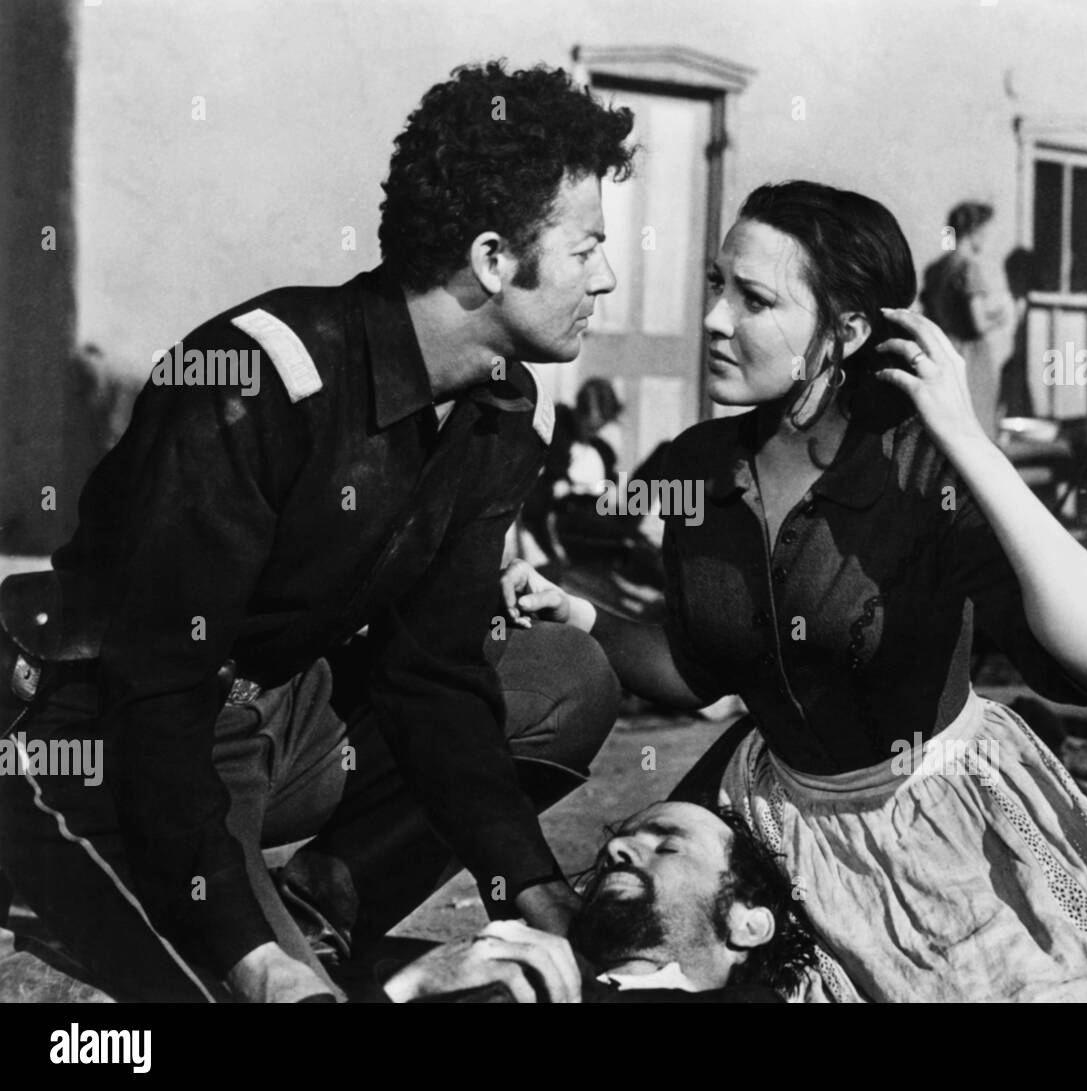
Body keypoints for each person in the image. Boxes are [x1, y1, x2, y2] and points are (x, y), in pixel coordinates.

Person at [503, 180, 1087, 1003]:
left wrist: (965, 437)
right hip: (777, 823)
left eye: (754, 299)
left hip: (954, 828)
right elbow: (698, 669)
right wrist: (578, 611)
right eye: (718, 285)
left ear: (846, 330)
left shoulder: (923, 469)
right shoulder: (698, 466)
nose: (715, 319)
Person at [0, 61, 634, 1003]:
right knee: (273, 989)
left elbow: (434, 676)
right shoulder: (253, 379)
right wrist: (256, 958)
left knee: (563, 678)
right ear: (496, 259)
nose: (608, 278)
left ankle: (325, 909)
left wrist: (541, 899)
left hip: (273, 718)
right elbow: (158, 691)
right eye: (586, 250)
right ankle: (238, 932)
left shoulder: (500, 409)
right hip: (113, 732)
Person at [377, 801, 813, 1002]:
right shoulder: (465, 965)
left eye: (668, 847)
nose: (617, 849)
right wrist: (407, 988)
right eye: (616, 849)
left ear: (747, 923)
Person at [920, 202, 1009, 438]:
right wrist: (998, 319)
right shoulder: (969, 268)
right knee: (974, 427)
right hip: (969, 356)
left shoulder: (936, 269)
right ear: (974, 232)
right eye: (985, 233)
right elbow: (977, 324)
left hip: (939, 350)